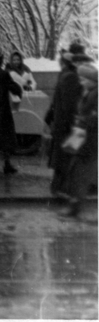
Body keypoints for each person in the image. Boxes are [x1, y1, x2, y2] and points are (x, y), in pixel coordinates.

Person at [59, 65, 98, 217]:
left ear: (91, 80)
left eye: (83, 79)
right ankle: (74, 204)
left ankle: (75, 206)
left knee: (81, 174)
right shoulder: (89, 92)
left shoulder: (96, 94)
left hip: (90, 139)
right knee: (77, 171)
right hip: (83, 138)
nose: (81, 82)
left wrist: (83, 121)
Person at [45, 49, 84, 197]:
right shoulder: (72, 77)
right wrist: (73, 123)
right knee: (66, 157)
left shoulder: (63, 75)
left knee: (62, 157)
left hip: (60, 123)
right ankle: (59, 189)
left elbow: (56, 100)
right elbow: (69, 104)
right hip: (66, 124)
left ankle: (58, 188)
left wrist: (49, 117)